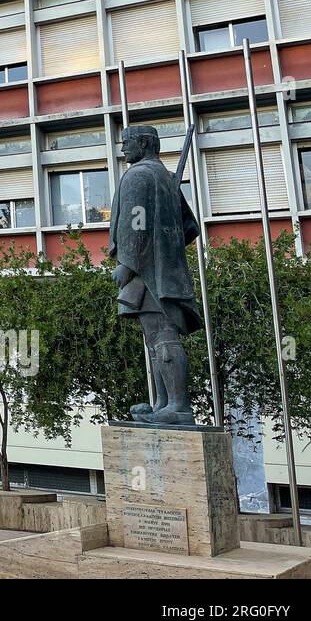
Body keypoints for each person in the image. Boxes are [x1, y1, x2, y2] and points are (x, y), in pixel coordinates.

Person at [107, 124, 202, 425]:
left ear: (144, 143)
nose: (123, 149)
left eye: (127, 143)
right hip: (163, 268)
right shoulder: (164, 177)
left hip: (148, 273)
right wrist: (166, 247)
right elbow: (189, 227)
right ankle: (163, 402)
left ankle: (178, 406)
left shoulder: (138, 176)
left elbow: (136, 223)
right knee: (155, 337)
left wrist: (129, 263)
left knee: (162, 336)